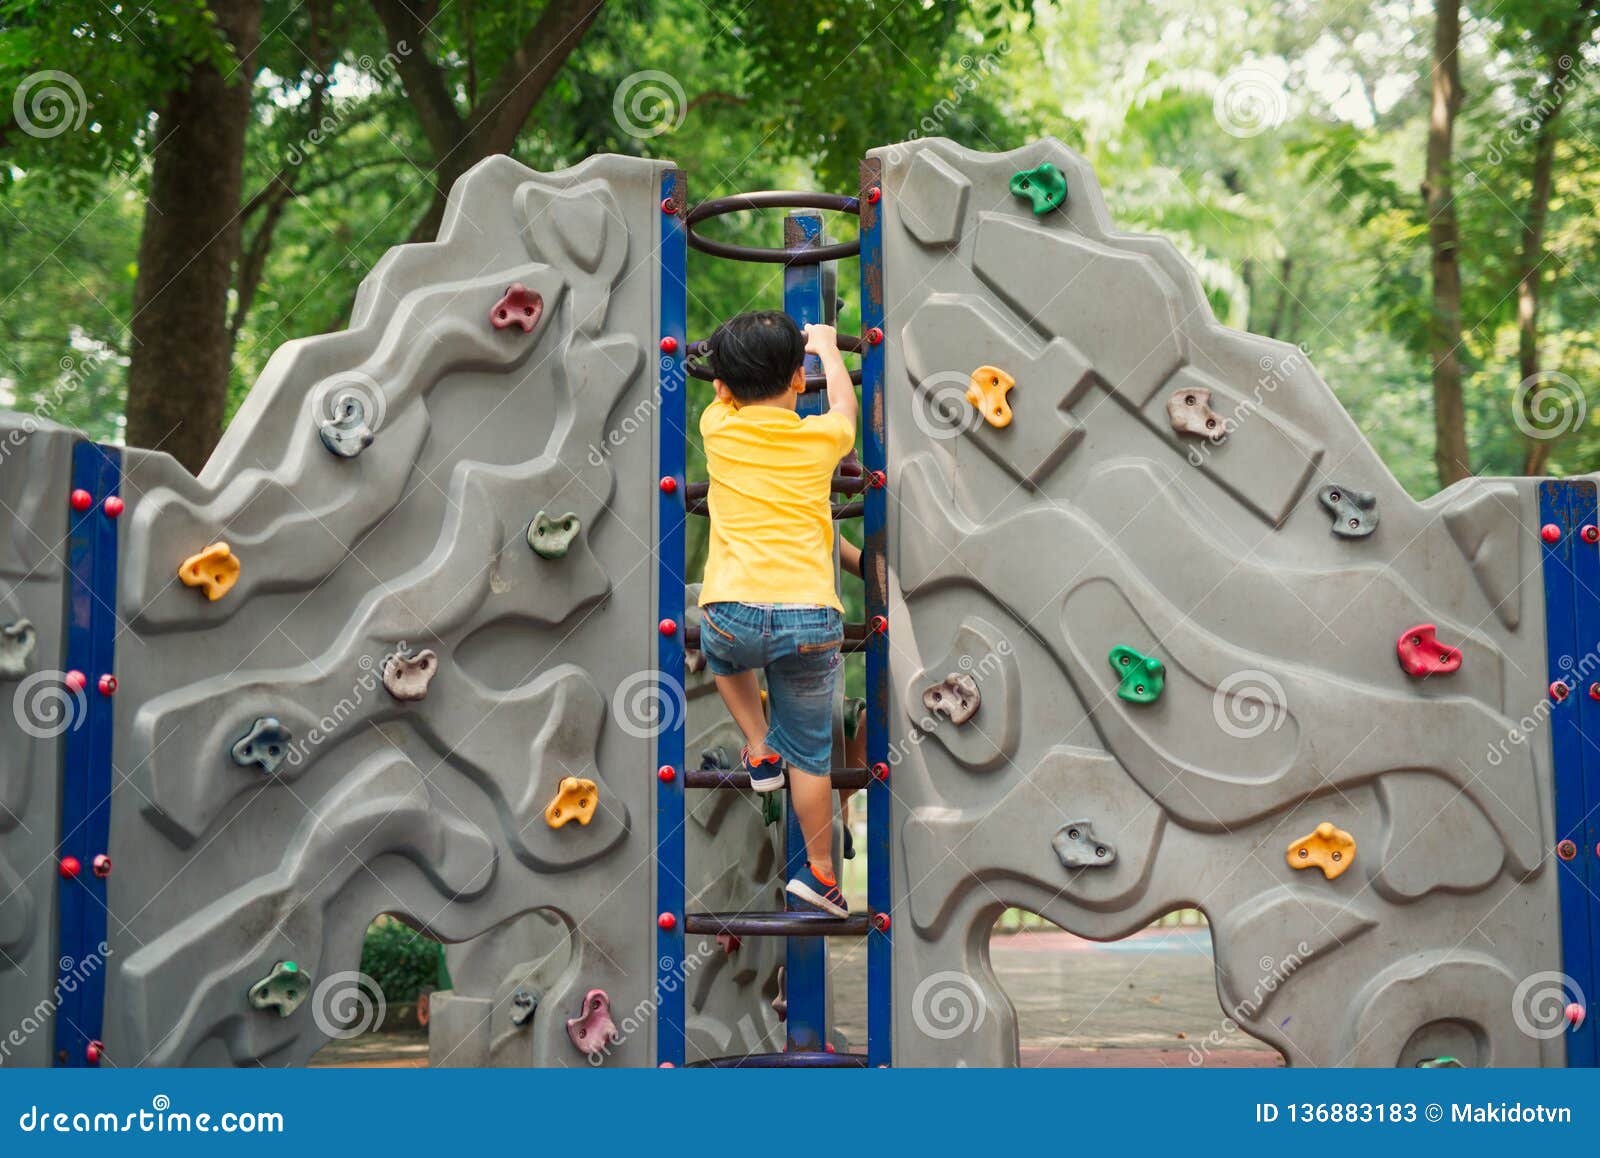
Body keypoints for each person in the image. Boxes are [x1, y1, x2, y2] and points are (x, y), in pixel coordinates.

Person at [696, 310, 857, 917]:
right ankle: (819, 875)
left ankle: (758, 743)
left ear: (723, 391)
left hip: (733, 611)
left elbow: (736, 394)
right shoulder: (819, 439)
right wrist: (828, 352)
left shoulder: (717, 427)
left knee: (719, 652)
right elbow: (844, 408)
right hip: (811, 619)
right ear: (797, 380)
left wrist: (734, 384)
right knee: (812, 757)